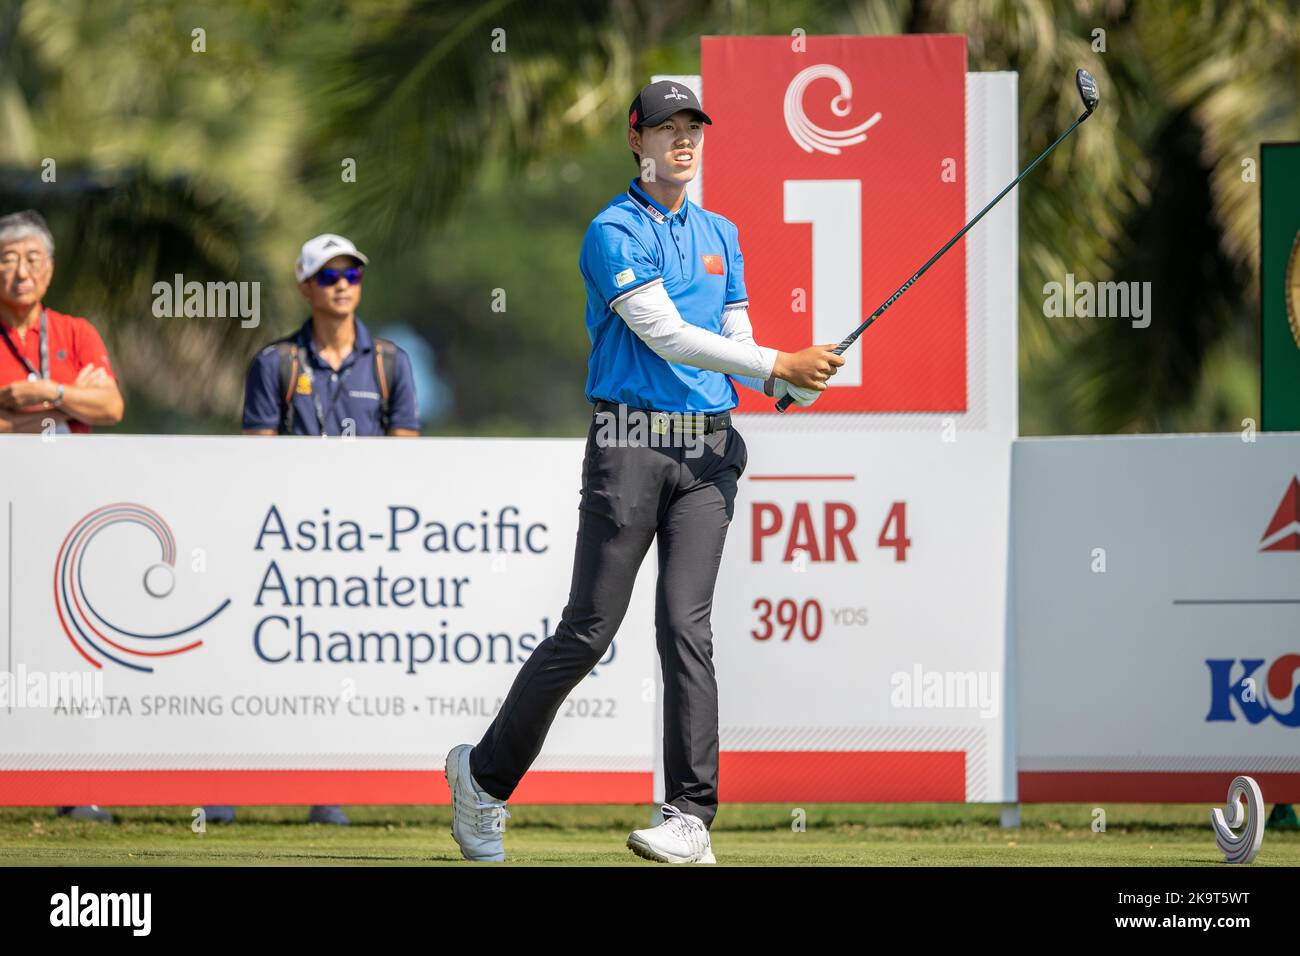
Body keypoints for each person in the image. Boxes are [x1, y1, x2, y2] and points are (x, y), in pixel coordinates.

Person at [444, 80, 842, 863]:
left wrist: (785, 380)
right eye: (665, 128)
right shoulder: (611, 230)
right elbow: (665, 334)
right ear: (636, 140)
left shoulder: (721, 232)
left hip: (706, 453)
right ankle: (483, 778)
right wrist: (773, 364)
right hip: (628, 443)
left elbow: (732, 332)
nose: (682, 140)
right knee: (589, 630)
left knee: (685, 628)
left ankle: (690, 816)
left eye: (692, 127)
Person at [204, 233, 420, 826]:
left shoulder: (391, 362)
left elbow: (407, 462)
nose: (343, 284)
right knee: (260, 663)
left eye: (352, 274)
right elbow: (256, 459)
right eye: (328, 276)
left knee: (338, 667)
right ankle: (225, 789)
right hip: (286, 543)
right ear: (305, 287)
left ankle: (328, 792)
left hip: (360, 545)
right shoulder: (275, 362)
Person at [0, 209, 125, 824]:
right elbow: (89, 403)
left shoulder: (74, 332)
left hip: (64, 515)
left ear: (49, 271)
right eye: (6, 258)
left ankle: (76, 785)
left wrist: (46, 395)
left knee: (68, 655)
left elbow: (111, 404)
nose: (18, 270)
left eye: (31, 259)